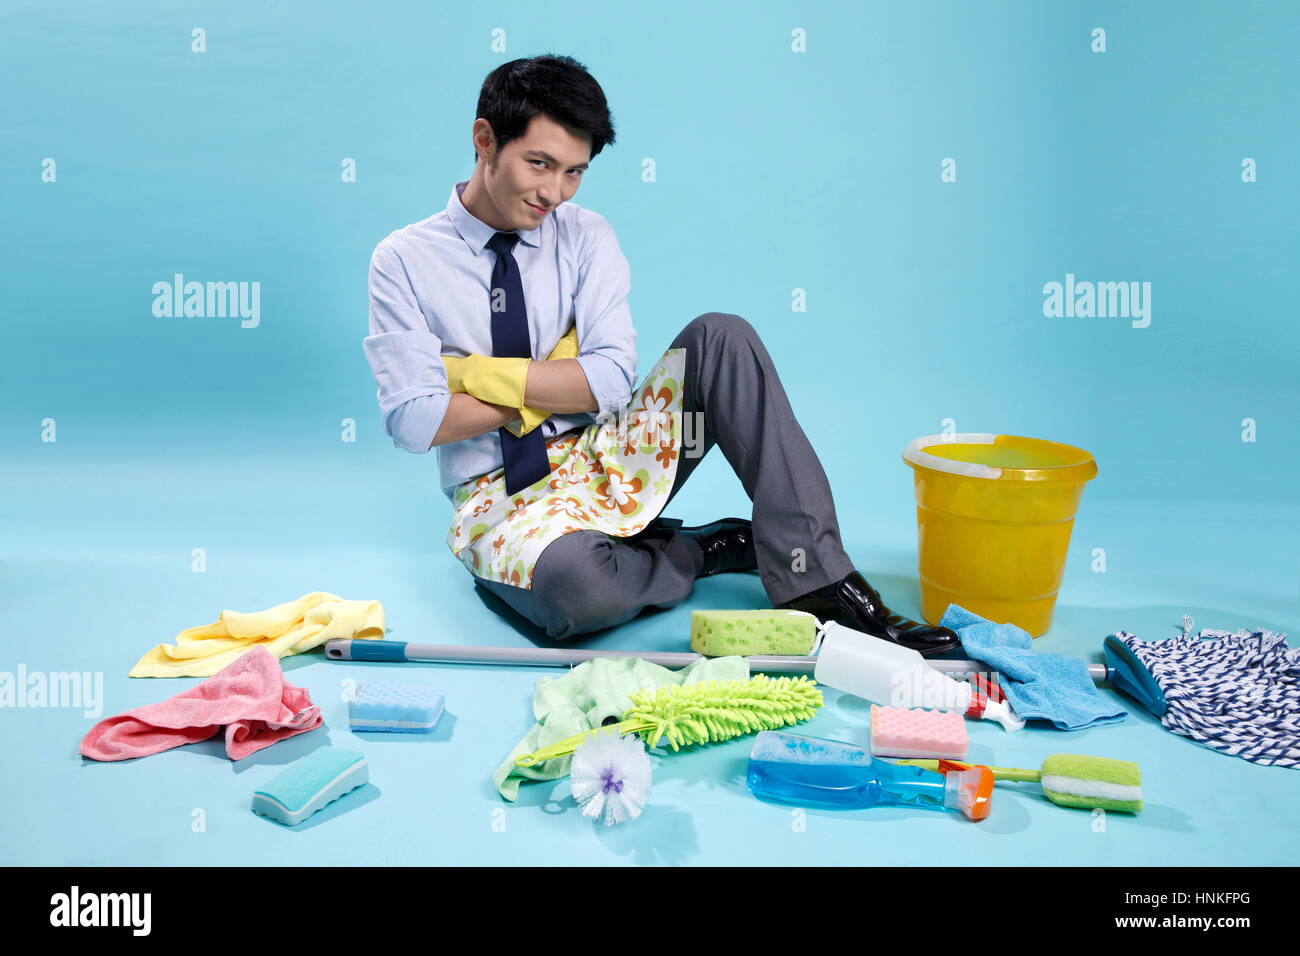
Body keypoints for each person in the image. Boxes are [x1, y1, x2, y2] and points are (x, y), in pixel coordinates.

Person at [364, 54, 958, 655]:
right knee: (577, 593)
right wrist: (557, 378)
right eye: (539, 164)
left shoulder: (586, 234)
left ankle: (823, 584)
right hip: (501, 498)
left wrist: (475, 377)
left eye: (574, 172)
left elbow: (614, 382)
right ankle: (704, 549)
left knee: (721, 336)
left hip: (608, 449)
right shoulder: (403, 261)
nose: (554, 193)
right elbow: (416, 423)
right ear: (485, 140)